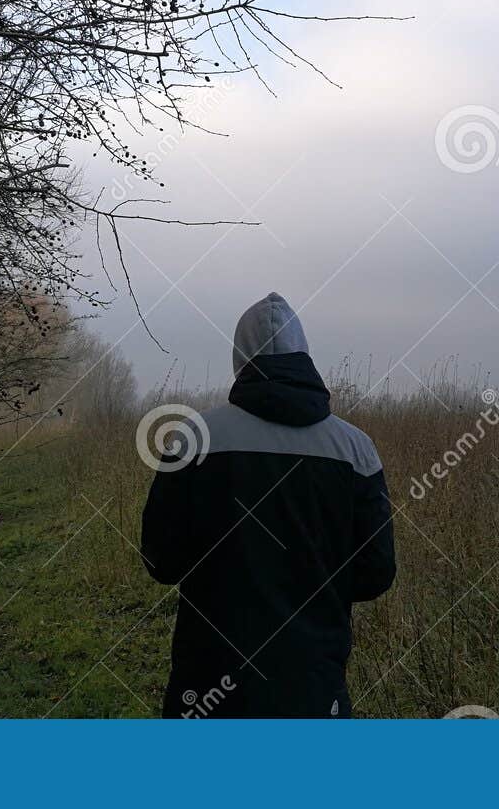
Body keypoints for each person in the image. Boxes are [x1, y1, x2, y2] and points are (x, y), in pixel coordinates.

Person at [141, 292, 396, 718]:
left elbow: (160, 563)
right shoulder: (356, 450)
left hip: (208, 691)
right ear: (305, 358)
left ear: (239, 362)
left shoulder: (191, 439)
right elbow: (376, 575)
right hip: (313, 689)